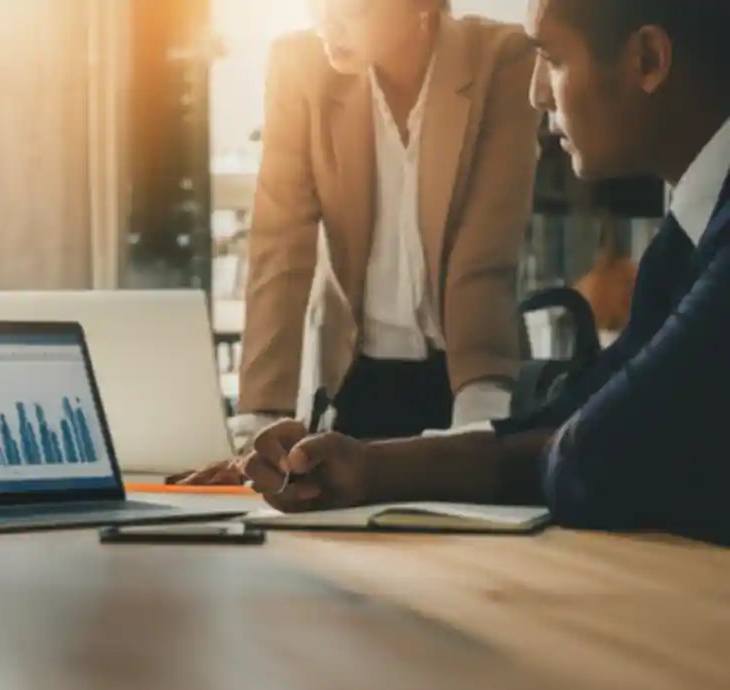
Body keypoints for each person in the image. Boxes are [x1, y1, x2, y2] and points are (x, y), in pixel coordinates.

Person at [241, 0, 730, 546]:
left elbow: (594, 455)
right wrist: (368, 468)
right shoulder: (681, 243)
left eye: (555, 59)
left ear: (647, 60)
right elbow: (582, 411)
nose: (538, 92)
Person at [184, 0, 541, 485]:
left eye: (352, 8)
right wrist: (260, 423)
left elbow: (483, 257)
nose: (326, 22)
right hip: (357, 378)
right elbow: (280, 248)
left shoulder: (501, 61)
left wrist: (479, 423)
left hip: (468, 376)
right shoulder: (300, 66)